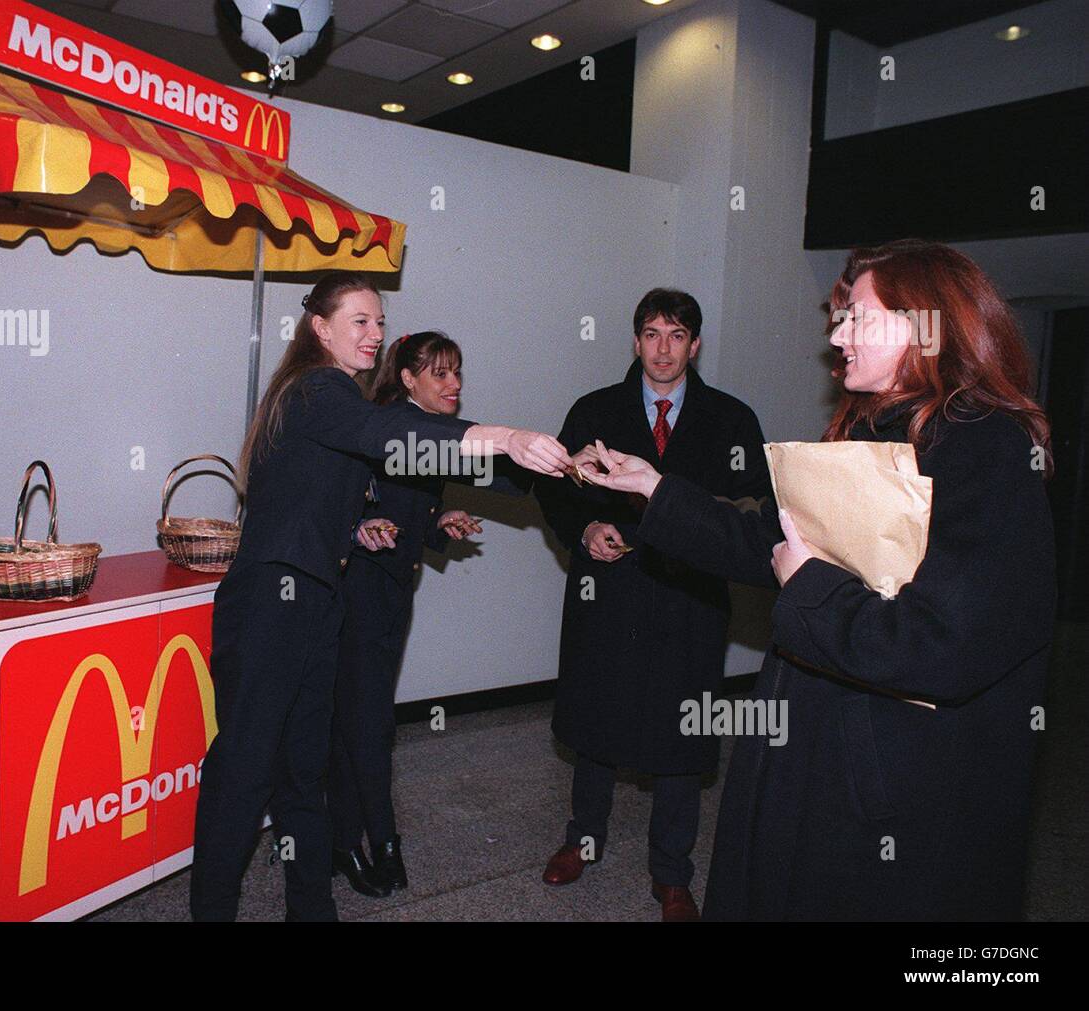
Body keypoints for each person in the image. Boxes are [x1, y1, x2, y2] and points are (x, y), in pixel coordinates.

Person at [578, 239, 1056, 920]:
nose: (838, 335)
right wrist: (656, 489)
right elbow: (770, 541)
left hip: (891, 794)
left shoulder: (988, 450)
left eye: (858, 317)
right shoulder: (870, 434)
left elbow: (944, 643)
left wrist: (807, 588)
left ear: (928, 325)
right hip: (822, 765)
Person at [189, 272, 572, 922]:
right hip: (270, 608)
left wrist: (356, 524)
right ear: (320, 328)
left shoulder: (337, 401)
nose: (374, 334)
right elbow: (397, 439)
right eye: (359, 320)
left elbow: (382, 463)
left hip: (316, 602)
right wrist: (507, 438)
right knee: (245, 770)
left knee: (304, 776)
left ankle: (313, 909)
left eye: (379, 322)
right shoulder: (318, 388)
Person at [533, 288, 771, 921]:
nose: (662, 348)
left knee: (683, 730)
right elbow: (555, 488)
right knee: (595, 718)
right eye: (651, 334)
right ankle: (583, 840)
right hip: (606, 589)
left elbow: (756, 508)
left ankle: (671, 874)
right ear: (635, 341)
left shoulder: (732, 421)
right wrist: (582, 531)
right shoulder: (595, 410)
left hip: (689, 596)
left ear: (695, 345)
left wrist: (700, 527)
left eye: (676, 336)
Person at [328, 331, 531, 897]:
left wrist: (440, 520)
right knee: (370, 723)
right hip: (358, 593)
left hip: (392, 592)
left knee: (356, 721)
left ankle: (341, 840)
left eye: (458, 372)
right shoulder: (388, 422)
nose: (455, 384)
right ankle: (384, 842)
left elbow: (413, 498)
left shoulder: (421, 426)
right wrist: (356, 526)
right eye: (440, 373)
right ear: (408, 378)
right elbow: (344, 497)